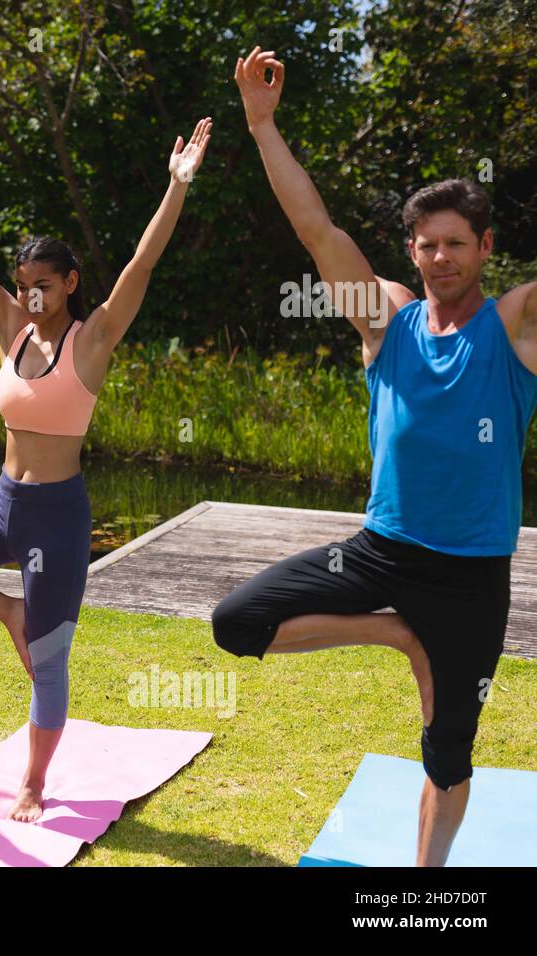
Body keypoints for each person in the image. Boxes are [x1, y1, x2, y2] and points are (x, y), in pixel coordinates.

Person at [210, 47, 537, 866]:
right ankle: (398, 637)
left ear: (485, 247)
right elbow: (318, 229)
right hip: (378, 555)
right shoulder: (385, 322)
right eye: (426, 245)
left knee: (449, 751)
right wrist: (261, 124)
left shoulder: (516, 328)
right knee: (236, 622)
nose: (440, 259)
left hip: (470, 575)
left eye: (456, 244)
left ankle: (425, 884)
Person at [0, 107, 211, 822]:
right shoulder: (9, 328)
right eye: (23, 282)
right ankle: (9, 609)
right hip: (4, 509)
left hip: (58, 522)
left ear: (69, 282)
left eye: (44, 284)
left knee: (50, 660)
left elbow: (142, 264)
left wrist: (177, 185)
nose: (30, 294)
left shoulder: (94, 342)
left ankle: (33, 784)